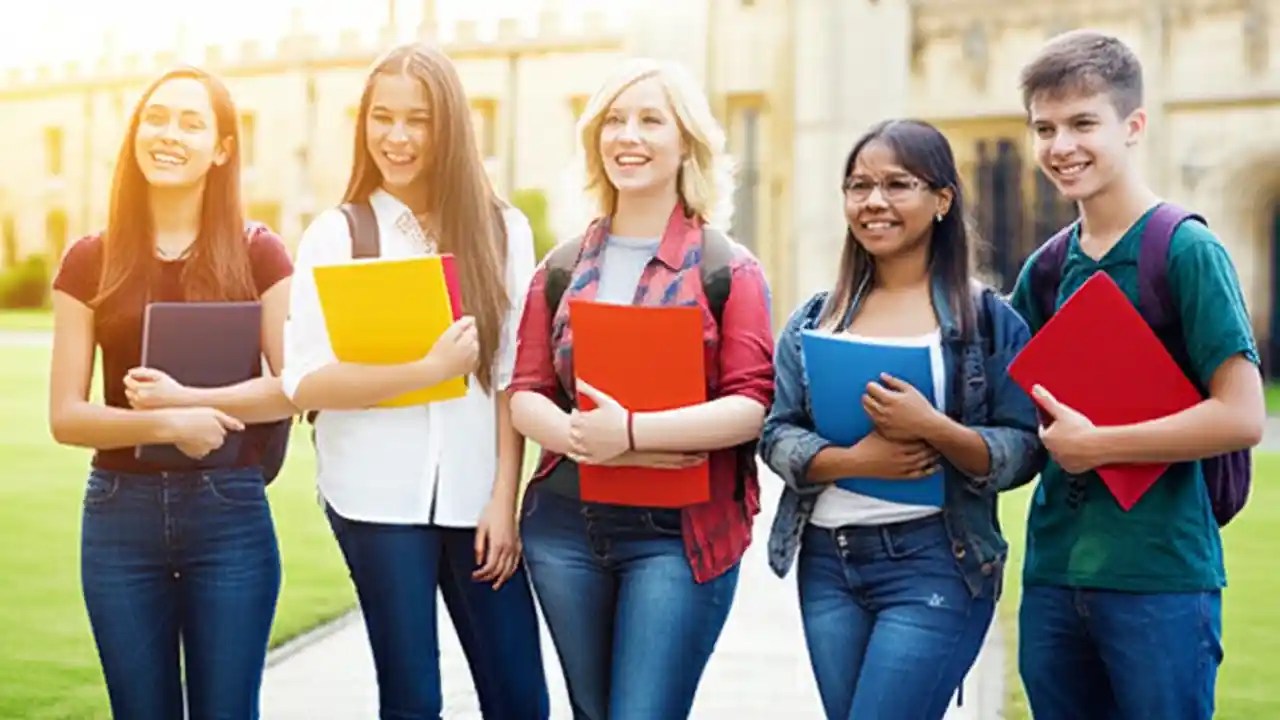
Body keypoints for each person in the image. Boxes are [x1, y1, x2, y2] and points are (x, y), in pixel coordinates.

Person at [280, 42, 549, 720]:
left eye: (417, 120)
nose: (396, 137)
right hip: (373, 496)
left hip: (476, 498)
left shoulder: (502, 231)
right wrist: (425, 372)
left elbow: (510, 379)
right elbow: (304, 382)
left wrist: (503, 500)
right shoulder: (337, 236)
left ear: (448, 127)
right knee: (412, 700)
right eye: (382, 117)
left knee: (520, 699)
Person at [508, 57, 775, 720]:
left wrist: (629, 434)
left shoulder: (729, 269)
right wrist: (581, 437)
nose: (628, 136)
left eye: (651, 120)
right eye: (614, 121)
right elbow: (525, 391)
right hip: (567, 529)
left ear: (686, 141)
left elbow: (752, 404)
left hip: (676, 537)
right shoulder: (560, 267)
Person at [1009, 30, 1265, 720]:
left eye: (1083, 123)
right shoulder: (1045, 269)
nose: (1061, 146)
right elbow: (1006, 406)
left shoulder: (1185, 250)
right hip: (1054, 572)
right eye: (1044, 128)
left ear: (1134, 125)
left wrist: (1100, 445)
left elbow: (1242, 415)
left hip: (1160, 575)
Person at [758, 119, 1043, 720]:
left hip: (936, 560)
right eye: (859, 186)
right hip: (828, 562)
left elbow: (1025, 448)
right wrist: (853, 461)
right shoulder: (815, 319)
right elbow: (776, 432)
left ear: (942, 200)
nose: (874, 201)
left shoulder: (987, 322)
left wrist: (935, 428)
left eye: (897, 184)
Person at [48, 66, 295, 719]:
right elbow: (66, 416)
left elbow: (292, 388)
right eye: (155, 118)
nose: (168, 134)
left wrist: (186, 400)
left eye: (191, 123)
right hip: (118, 517)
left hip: (229, 514)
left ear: (222, 149)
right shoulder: (88, 261)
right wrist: (166, 425)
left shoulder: (261, 254)